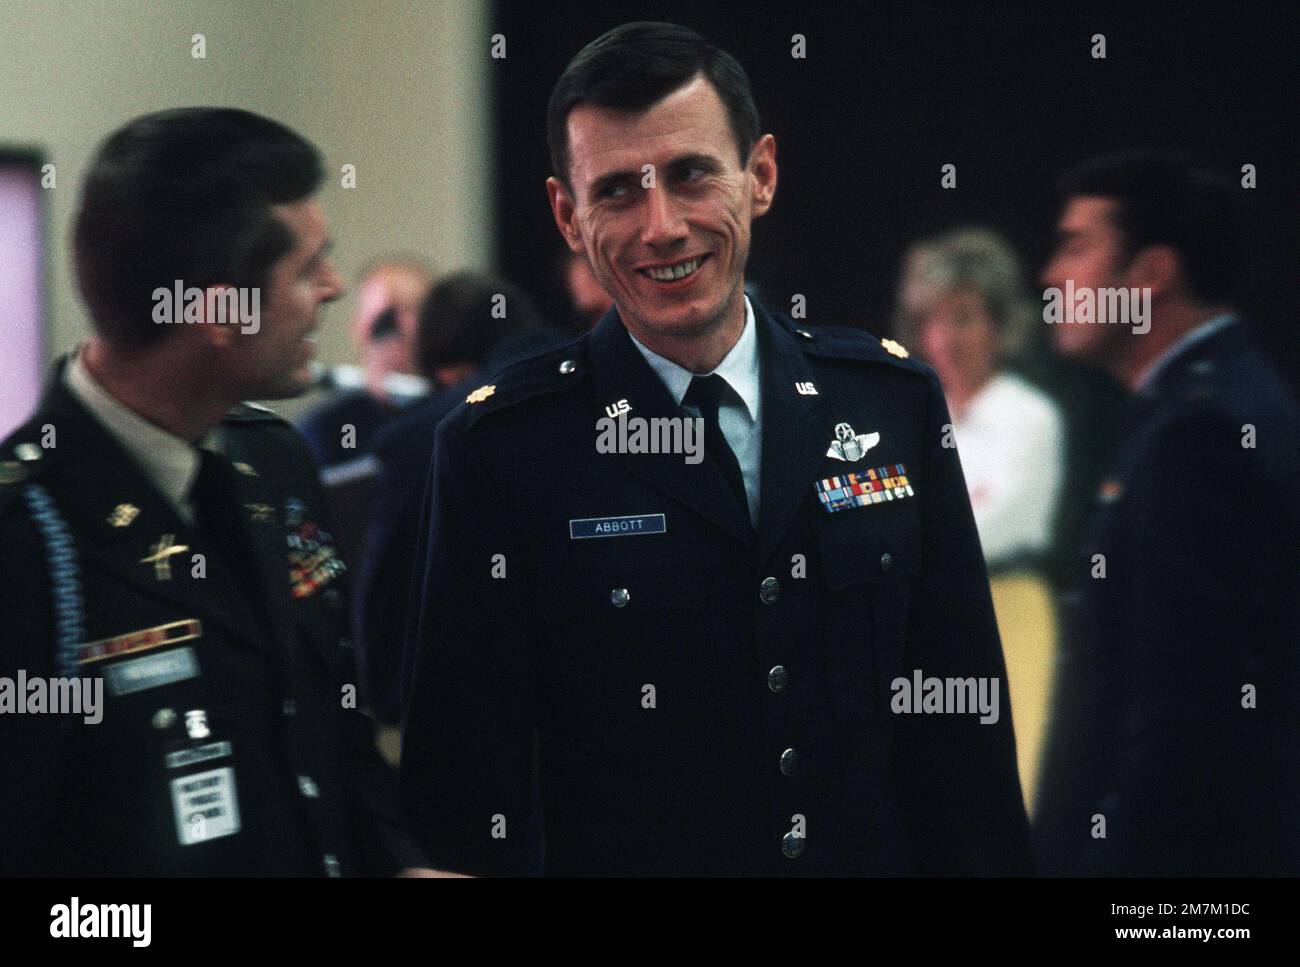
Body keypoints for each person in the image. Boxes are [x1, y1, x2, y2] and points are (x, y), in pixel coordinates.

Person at [400, 22, 1032, 876]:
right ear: (567, 215)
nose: (662, 227)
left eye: (692, 174)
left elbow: (964, 749)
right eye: (617, 191)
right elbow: (466, 802)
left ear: (760, 175)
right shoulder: (500, 450)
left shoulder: (889, 401)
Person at [0, 108, 428, 876]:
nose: (333, 289)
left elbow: (335, 739)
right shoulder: (25, 535)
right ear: (218, 312)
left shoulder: (275, 463)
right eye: (306, 270)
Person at [1034, 150, 1300, 875]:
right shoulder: (1195, 407)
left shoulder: (1200, 434)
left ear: (1150, 274)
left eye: (1075, 245)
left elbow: (1189, 725)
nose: (1051, 276)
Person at [355, 271, 562, 729]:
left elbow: (390, 627)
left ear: (447, 372)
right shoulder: (621, 395)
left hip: (491, 733)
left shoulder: (419, 440)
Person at [895, 227, 1065, 570]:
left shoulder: (1031, 415)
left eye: (962, 319)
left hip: (1008, 600)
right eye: (932, 321)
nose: (944, 340)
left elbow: (990, 531)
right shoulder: (909, 417)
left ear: (1000, 324)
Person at [297, 259, 432, 469]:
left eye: (415, 310)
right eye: (387, 319)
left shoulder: (458, 411)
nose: (407, 328)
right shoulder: (326, 429)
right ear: (360, 328)